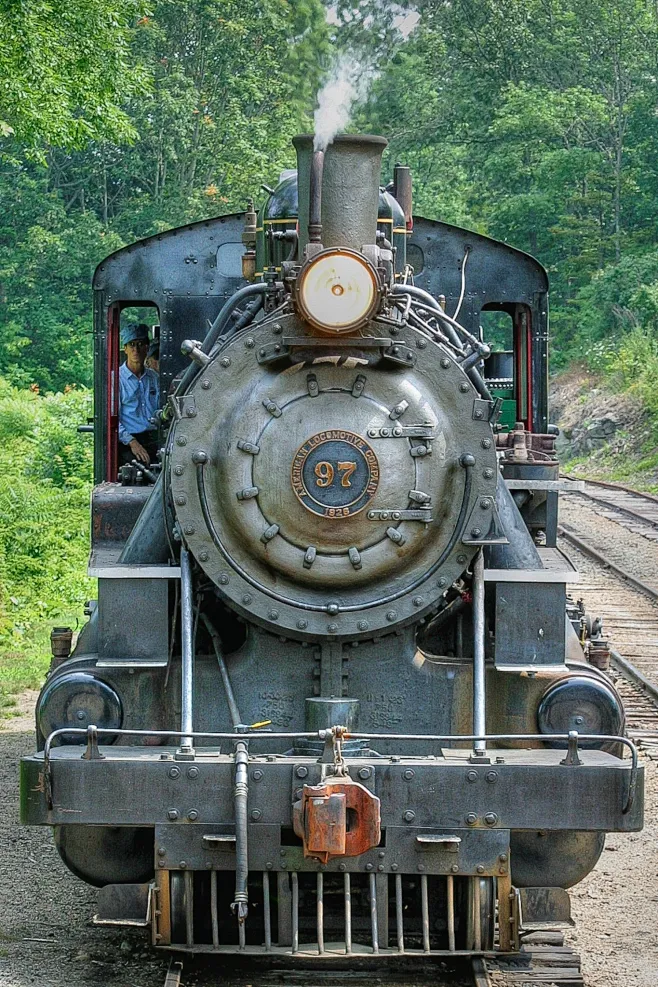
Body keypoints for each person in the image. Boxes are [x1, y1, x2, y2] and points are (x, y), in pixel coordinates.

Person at [118, 323, 160, 467]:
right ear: (125, 349)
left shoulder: (154, 378)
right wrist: (132, 442)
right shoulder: (116, 380)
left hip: (155, 437)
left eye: (140, 344)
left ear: (147, 348)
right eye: (131, 345)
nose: (136, 349)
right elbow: (113, 421)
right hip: (129, 442)